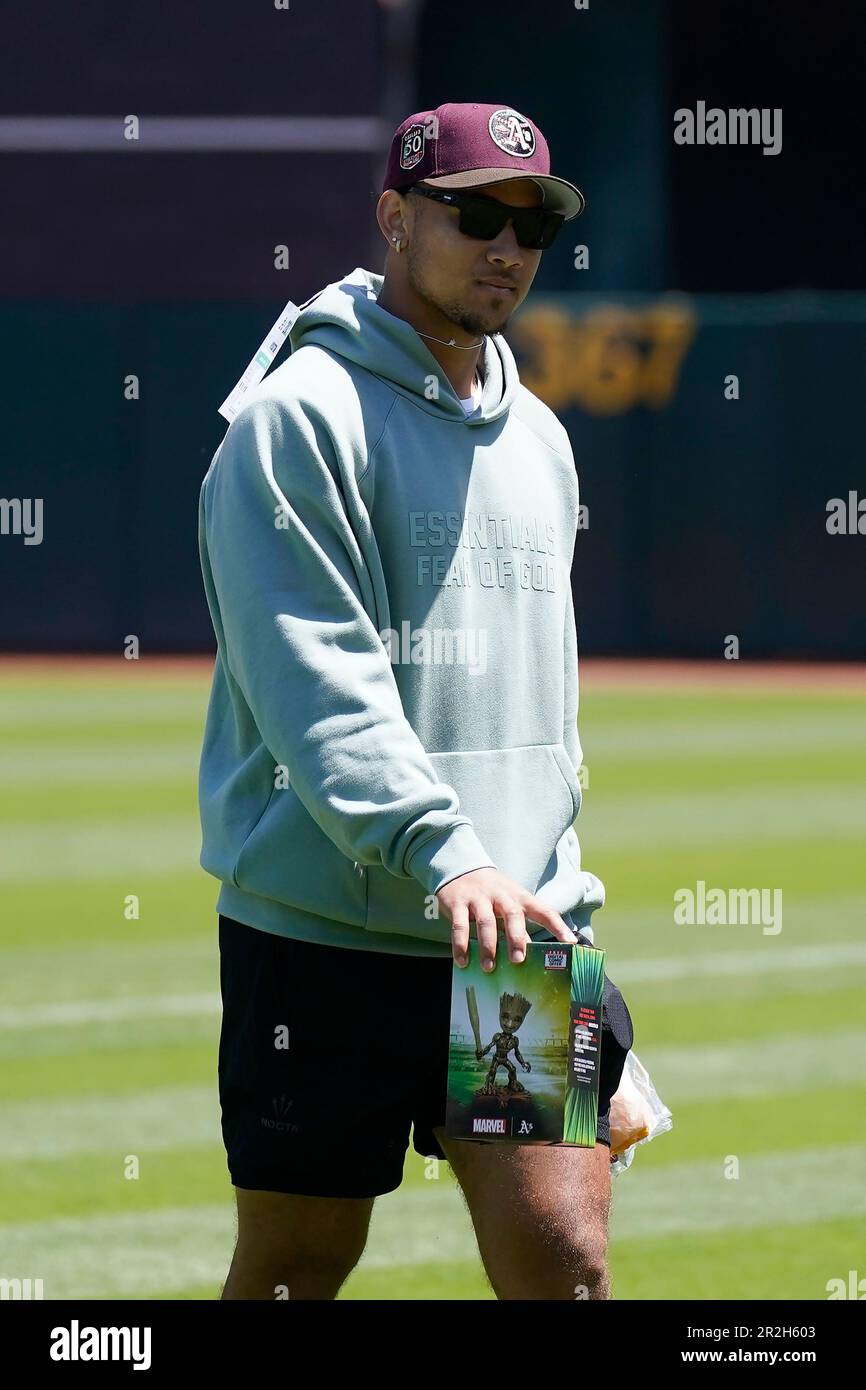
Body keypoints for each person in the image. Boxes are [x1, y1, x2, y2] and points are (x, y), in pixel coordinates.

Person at [198, 101, 634, 1301]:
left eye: (532, 227)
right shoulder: (296, 418)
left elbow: (544, 714)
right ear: (394, 217)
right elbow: (314, 674)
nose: (507, 248)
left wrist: (571, 930)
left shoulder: (539, 437)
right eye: (476, 215)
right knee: (295, 1264)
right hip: (319, 936)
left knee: (564, 1257)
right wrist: (443, 851)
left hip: (516, 944)